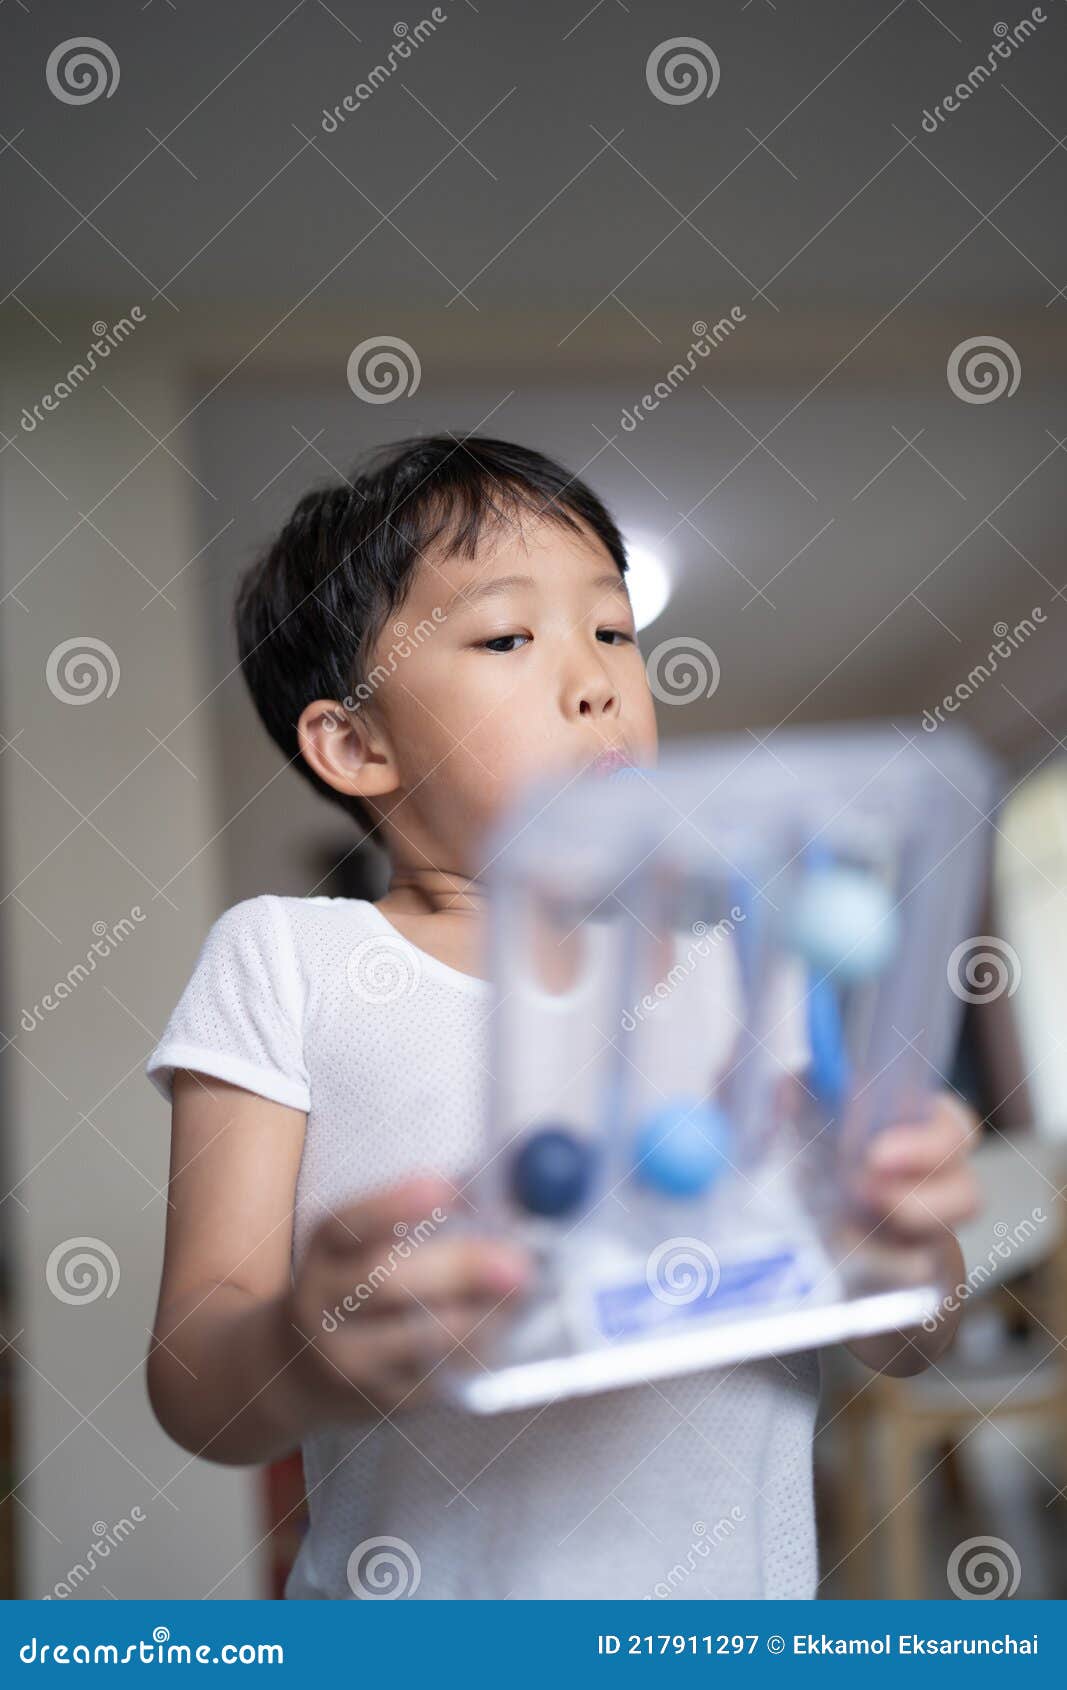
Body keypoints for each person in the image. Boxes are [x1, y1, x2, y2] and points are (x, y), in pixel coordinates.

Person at [144, 433, 979, 1599]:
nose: (596, 679)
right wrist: (297, 1350)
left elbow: (907, 1334)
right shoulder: (289, 959)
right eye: (504, 637)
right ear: (356, 741)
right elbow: (194, 1376)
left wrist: (903, 1256)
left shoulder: (741, 962)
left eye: (613, 631)